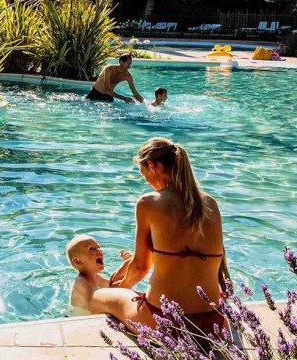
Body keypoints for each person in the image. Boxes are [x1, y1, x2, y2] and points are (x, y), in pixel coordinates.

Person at [89, 137, 227, 338]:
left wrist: (121, 287)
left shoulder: (148, 203)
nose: (144, 178)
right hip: (212, 323)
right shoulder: (210, 203)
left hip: (164, 324)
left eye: (142, 171)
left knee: (98, 297)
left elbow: (140, 268)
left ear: (152, 165)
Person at [66, 236, 132, 314]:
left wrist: (127, 268)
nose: (99, 251)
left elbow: (112, 285)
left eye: (98, 247)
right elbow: (102, 299)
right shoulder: (81, 283)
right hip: (78, 320)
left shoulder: (96, 277)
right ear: (78, 261)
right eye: (91, 249)